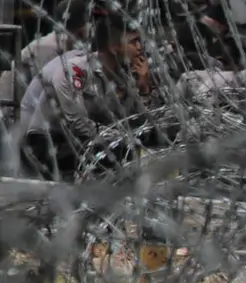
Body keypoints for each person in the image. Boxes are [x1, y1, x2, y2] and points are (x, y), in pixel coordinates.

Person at [16, 10, 149, 177]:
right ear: (113, 47)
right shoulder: (75, 69)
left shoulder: (122, 76)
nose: (139, 48)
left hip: (81, 143)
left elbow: (138, 122)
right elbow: (77, 123)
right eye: (133, 42)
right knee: (121, 151)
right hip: (47, 143)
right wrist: (125, 137)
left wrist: (143, 87)